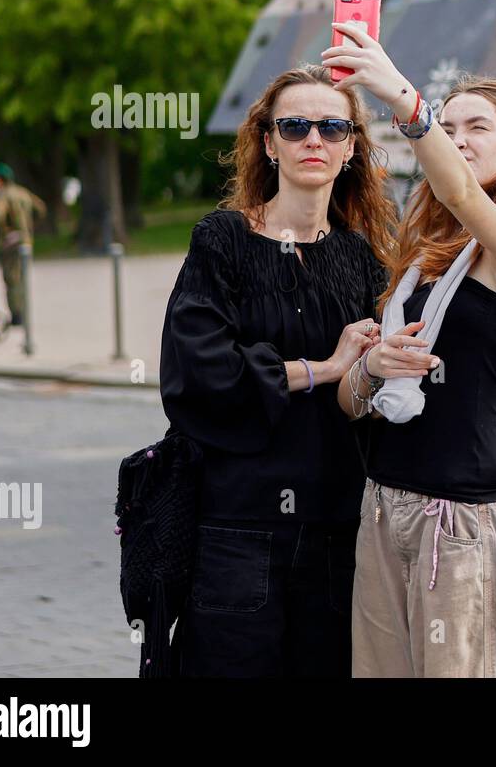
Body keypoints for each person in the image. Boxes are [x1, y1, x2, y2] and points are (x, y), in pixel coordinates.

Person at [323, 24, 496, 678]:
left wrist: (401, 96)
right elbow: (350, 399)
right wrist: (372, 365)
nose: (456, 138)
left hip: (462, 527)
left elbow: (457, 191)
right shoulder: (418, 261)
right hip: (385, 509)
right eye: (447, 126)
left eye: (476, 127)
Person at [158, 63, 400, 677]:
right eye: (294, 127)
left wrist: (373, 367)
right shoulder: (223, 240)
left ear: (350, 148)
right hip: (239, 530)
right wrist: (323, 367)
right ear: (268, 143)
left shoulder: (363, 257)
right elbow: (198, 373)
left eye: (330, 128)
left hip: (338, 530)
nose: (312, 140)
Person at [0, 163, 46, 326]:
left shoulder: (3, 195)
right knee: (22, 277)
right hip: (26, 240)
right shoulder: (22, 192)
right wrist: (29, 225)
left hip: (11, 241)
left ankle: (17, 314)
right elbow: (41, 208)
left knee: (11, 279)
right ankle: (24, 310)